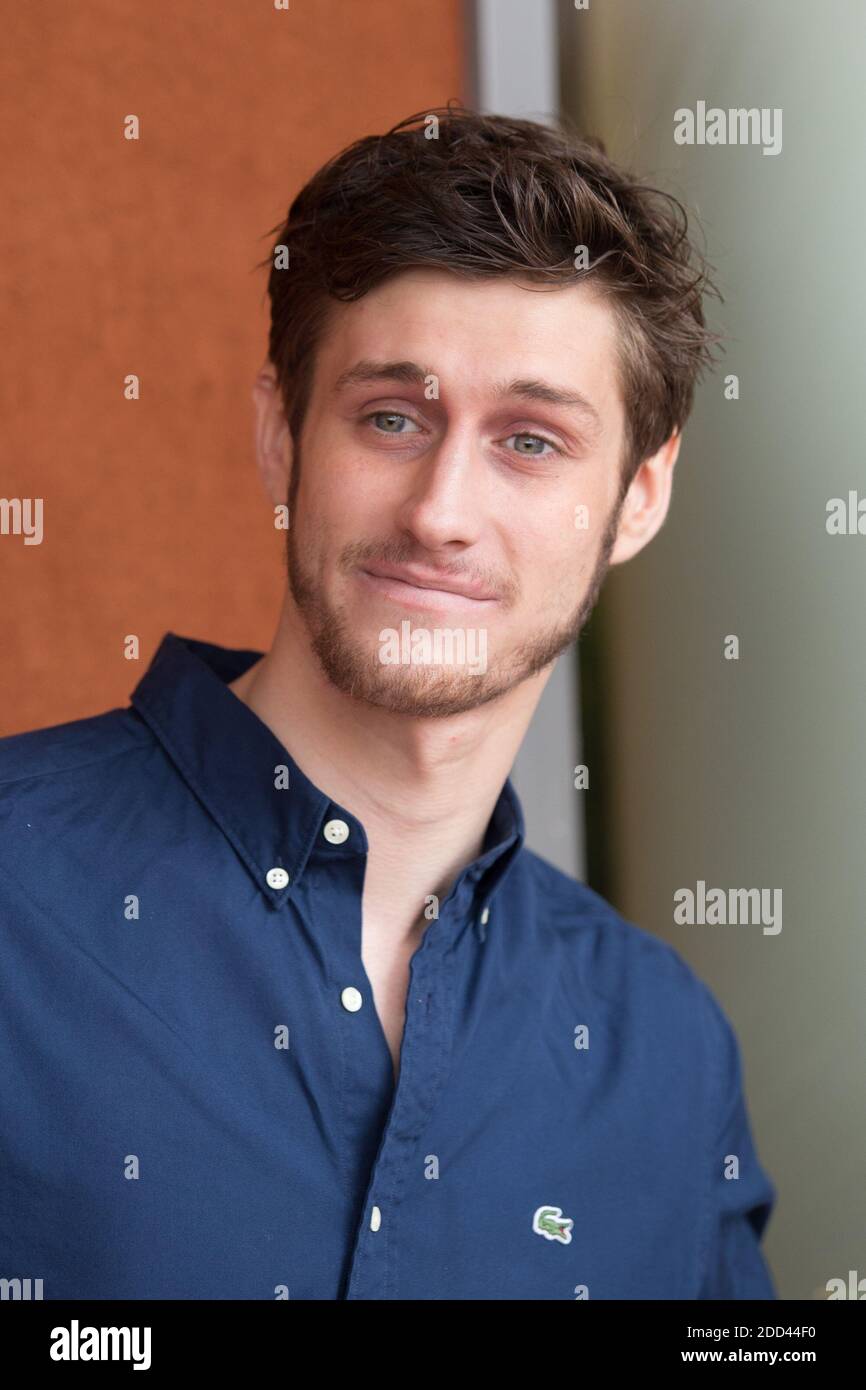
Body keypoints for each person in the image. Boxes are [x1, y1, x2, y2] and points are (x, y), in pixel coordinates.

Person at [0, 107, 775, 1299]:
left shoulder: (662, 1050)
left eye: (529, 440)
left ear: (636, 499)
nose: (439, 511)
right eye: (392, 418)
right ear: (279, 437)